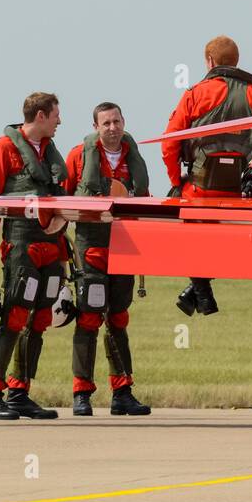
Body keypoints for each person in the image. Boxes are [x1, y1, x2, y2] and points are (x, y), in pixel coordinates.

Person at [162, 36, 252, 316]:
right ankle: (200, 293)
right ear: (236, 60)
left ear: (209, 61)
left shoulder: (194, 94)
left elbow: (169, 143)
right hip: (244, 192)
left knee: (195, 240)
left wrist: (175, 182)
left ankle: (200, 293)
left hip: (200, 190)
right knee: (230, 242)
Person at [0, 93, 70, 420]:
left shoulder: (50, 153)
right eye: (56, 115)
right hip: (20, 244)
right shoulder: (2, 149)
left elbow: (63, 196)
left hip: (52, 246)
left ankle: (19, 392)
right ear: (40, 116)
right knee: (15, 315)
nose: (59, 121)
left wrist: (63, 218)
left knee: (41, 318)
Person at [60, 102, 152, 416]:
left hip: (125, 247)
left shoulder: (133, 158)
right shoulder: (79, 156)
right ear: (96, 127)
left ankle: (122, 391)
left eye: (116, 121)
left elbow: (145, 199)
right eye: (105, 123)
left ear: (123, 122)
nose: (112, 128)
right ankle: (81, 393)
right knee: (88, 317)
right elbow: (61, 202)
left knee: (119, 318)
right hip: (92, 248)